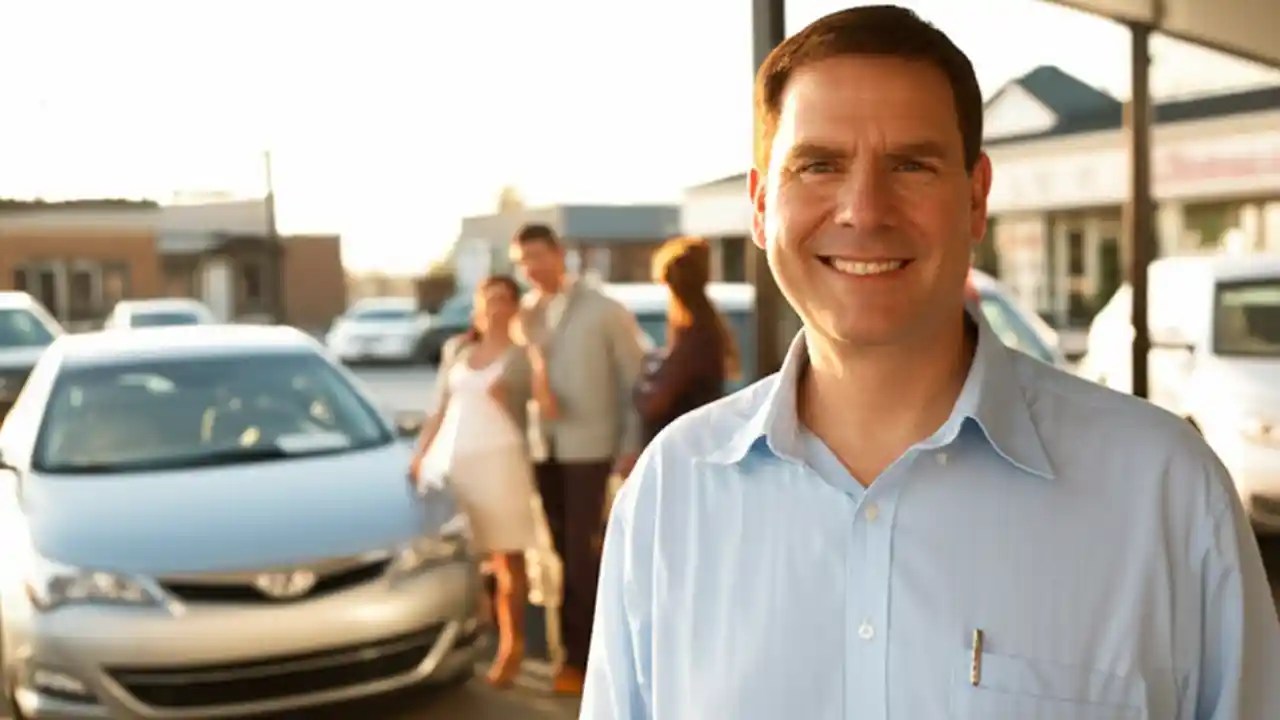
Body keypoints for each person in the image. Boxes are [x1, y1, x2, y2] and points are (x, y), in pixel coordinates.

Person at [582, 6, 1280, 719]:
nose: (864, 209)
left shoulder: (1163, 493)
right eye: (819, 165)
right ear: (761, 207)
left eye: (910, 165)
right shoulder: (672, 497)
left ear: (976, 198)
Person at [508, 222, 646, 696]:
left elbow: (635, 382)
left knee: (585, 557)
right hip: (545, 449)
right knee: (560, 556)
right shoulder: (527, 313)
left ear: (559, 254)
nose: (531, 268)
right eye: (522, 260)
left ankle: (587, 663)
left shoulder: (604, 310)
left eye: (538, 257)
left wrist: (630, 445)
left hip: (593, 448)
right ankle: (570, 656)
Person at [408, 275, 553, 689]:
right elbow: (439, 406)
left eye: (505, 299)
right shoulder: (458, 349)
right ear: (478, 305)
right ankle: (473, 636)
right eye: (490, 299)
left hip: (501, 461)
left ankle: (514, 645)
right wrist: (419, 454)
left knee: (510, 559)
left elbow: (545, 407)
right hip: (454, 463)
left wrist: (518, 389)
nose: (497, 306)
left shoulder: (523, 354)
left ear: (515, 306)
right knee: (464, 558)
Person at [633, 235, 741, 445]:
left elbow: (654, 402)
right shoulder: (706, 327)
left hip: (686, 448)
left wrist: (640, 385)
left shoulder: (694, 336)